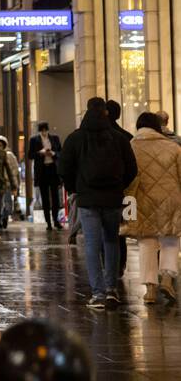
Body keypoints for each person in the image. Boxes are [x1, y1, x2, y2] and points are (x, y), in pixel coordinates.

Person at [58, 98, 138, 308]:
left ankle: (98, 294)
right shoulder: (119, 138)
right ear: (105, 113)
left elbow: (64, 168)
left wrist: (75, 188)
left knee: (93, 245)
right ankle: (112, 289)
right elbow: (132, 169)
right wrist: (120, 186)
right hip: (113, 198)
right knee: (112, 241)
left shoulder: (76, 138)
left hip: (88, 199)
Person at [122, 111, 181, 304]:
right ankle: (166, 279)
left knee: (146, 242)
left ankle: (150, 290)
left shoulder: (130, 147)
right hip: (170, 199)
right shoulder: (173, 148)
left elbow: (126, 177)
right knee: (170, 239)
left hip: (142, 200)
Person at [106, 100, 133, 280]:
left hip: (99, 192)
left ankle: (108, 266)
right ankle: (119, 265)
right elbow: (133, 167)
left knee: (102, 232)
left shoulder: (96, 135)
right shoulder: (126, 136)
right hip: (121, 191)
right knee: (119, 231)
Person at [28, 121, 64, 229]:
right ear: (39, 131)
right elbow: (30, 155)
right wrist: (40, 152)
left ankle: (56, 220)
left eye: (45, 130)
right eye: (42, 131)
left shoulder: (55, 138)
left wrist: (53, 153)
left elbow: (60, 153)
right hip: (42, 171)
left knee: (55, 197)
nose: (44, 132)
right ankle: (48, 222)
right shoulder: (34, 140)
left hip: (53, 169)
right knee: (45, 197)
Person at [0, 135, 21, 229]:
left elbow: (14, 170)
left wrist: (15, 184)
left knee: (7, 204)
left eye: (1, 144)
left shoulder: (9, 155)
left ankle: (4, 218)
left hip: (7, 184)